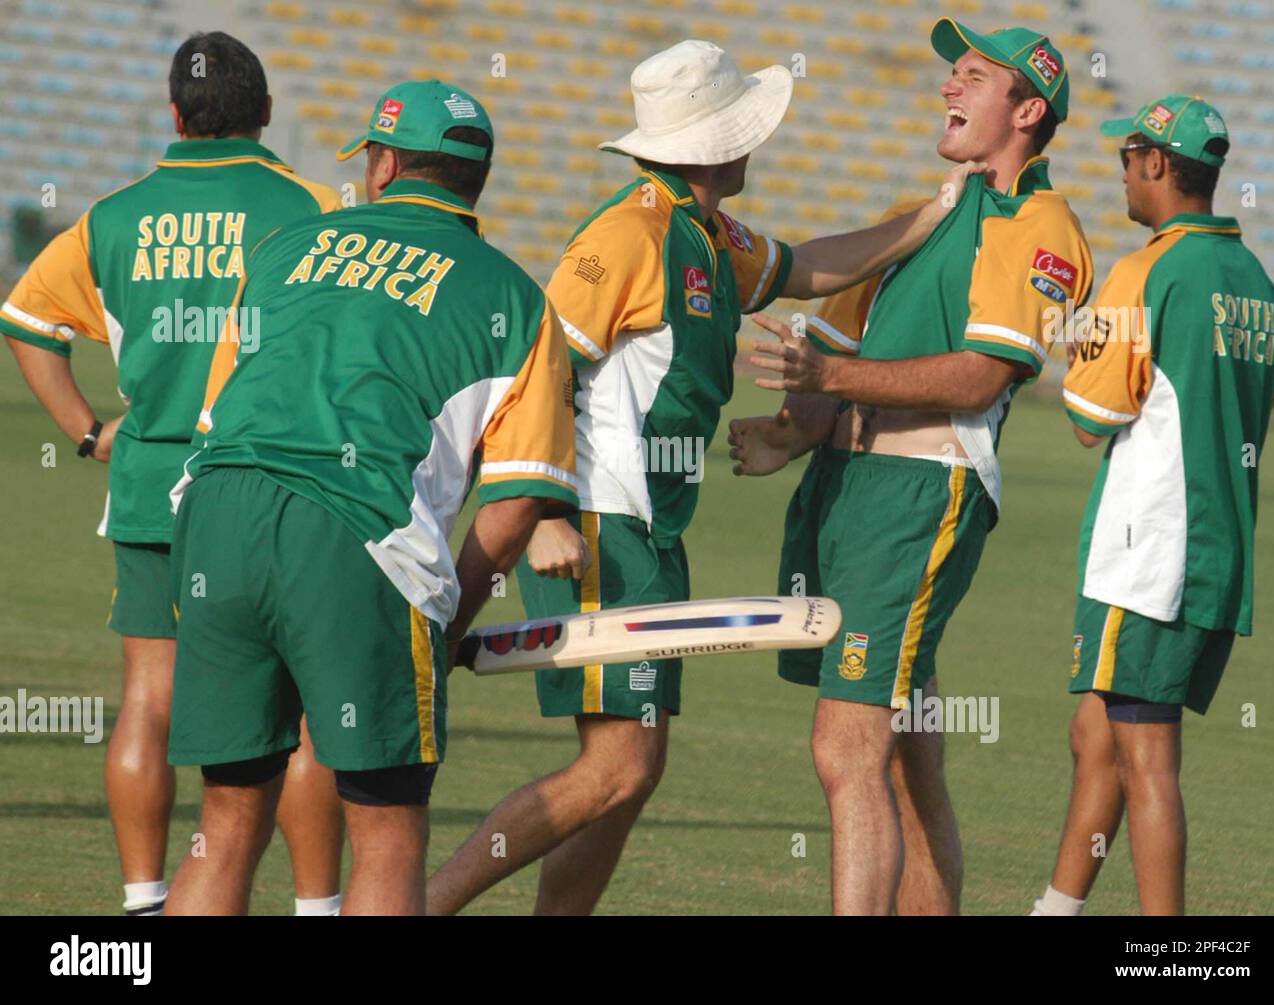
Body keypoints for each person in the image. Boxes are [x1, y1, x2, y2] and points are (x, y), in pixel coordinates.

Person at [426, 38, 983, 916]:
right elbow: (543, 371)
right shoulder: (628, 233)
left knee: (625, 777)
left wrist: (926, 220)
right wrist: (541, 514)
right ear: (723, 143)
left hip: (649, 532)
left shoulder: (707, 231)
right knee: (620, 766)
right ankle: (416, 904)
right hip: (599, 523)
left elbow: (809, 267)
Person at [163, 79, 577, 916]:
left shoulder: (283, 250)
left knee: (227, 814)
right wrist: (446, 617)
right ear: (477, 180)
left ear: (384, 165)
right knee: (387, 827)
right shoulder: (517, 300)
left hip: (216, 517)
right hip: (359, 537)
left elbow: (213, 417)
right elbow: (515, 504)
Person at [728, 19, 1092, 915]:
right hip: (846, 492)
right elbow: (842, 345)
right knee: (906, 755)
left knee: (846, 747)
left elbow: (978, 376)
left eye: (972, 75)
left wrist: (832, 377)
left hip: (920, 494)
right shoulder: (924, 208)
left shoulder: (1042, 227)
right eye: (951, 73)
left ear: (1028, 109)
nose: (949, 87)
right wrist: (794, 431)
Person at [0, 31, 343, 917]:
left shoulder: (113, 214)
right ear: (266, 112)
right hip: (277, 488)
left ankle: (146, 902)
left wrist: (85, 431)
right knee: (306, 709)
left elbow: (26, 322)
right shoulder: (310, 207)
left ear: (174, 114)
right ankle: (317, 906)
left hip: (153, 483)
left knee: (149, 698)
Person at [1031, 95, 1274, 917]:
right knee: (1097, 733)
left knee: (1146, 758)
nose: (1121, 173)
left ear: (1155, 163)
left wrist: (1079, 344)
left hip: (1149, 548)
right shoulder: (1256, 281)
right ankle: (1056, 908)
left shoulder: (1146, 268)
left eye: (1127, 156)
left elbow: (1088, 417)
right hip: (1216, 547)